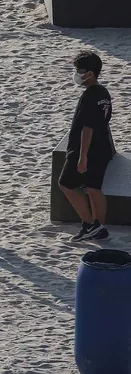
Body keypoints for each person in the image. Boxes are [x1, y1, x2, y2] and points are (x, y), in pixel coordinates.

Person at [59, 51, 116, 242]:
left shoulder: (90, 95)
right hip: (103, 148)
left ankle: (90, 223)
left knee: (66, 184)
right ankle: (99, 228)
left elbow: (87, 128)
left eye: (79, 71)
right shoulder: (104, 93)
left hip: (88, 149)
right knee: (94, 187)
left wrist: (82, 157)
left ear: (90, 73)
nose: (76, 74)